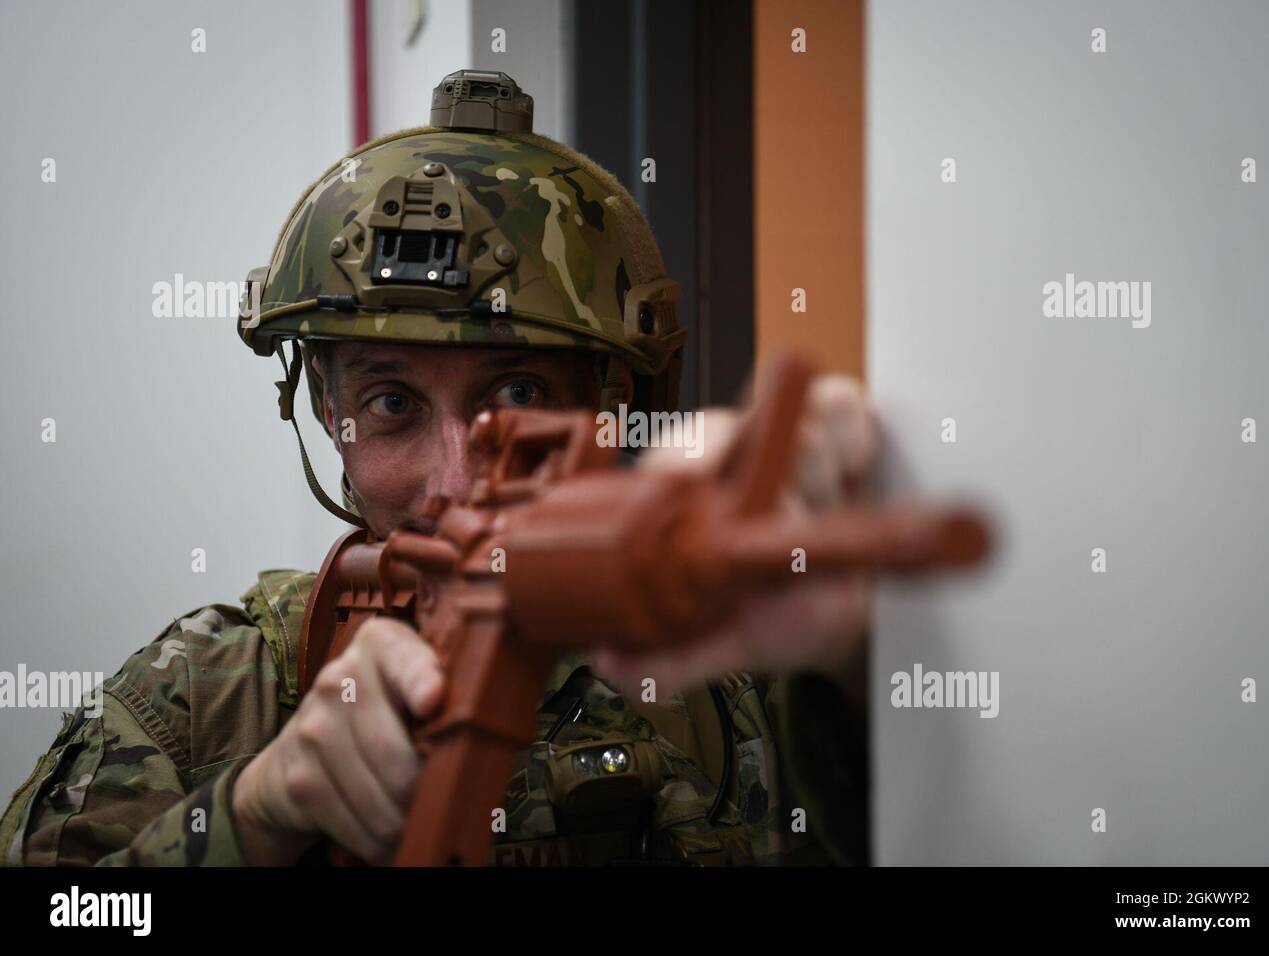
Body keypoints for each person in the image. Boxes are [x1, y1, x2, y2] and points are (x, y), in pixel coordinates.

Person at [0, 71, 872, 867]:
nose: (455, 479)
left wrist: (853, 650)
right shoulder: (204, 693)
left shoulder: (729, 683)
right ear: (327, 417)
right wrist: (251, 814)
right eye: (392, 405)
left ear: (609, 407)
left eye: (519, 394)